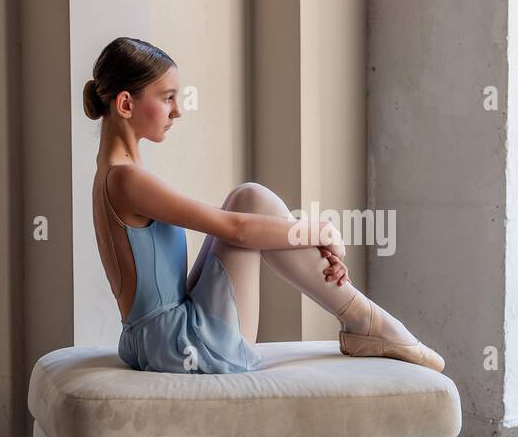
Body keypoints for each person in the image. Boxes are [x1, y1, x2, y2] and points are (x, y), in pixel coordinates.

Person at [85, 36, 445, 375]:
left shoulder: (115, 174)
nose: (178, 111)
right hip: (179, 345)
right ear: (126, 104)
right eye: (167, 98)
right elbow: (235, 230)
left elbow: (233, 224)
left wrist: (305, 235)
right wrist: (319, 231)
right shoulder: (127, 180)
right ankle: (366, 321)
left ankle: (364, 321)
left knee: (249, 198)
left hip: (151, 338)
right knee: (251, 207)